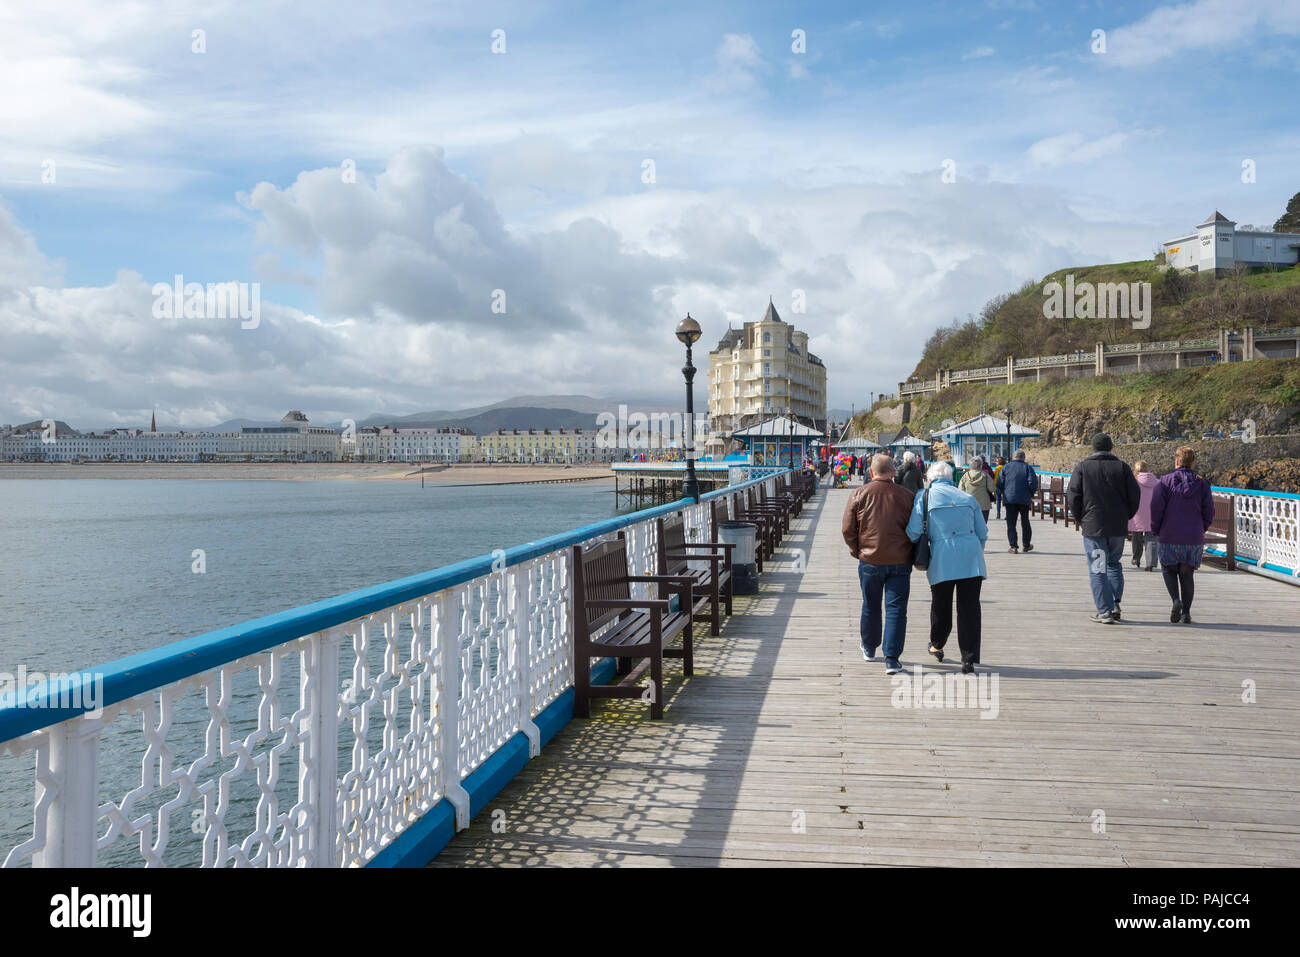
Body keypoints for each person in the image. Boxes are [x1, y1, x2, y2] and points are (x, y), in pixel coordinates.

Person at [906, 460, 988, 674]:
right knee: (969, 609)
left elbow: (913, 532)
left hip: (942, 558)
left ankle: (937, 644)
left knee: (941, 605)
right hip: (971, 558)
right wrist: (973, 548)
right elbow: (983, 532)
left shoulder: (924, 497)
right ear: (951, 479)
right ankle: (968, 658)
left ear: (930, 478)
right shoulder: (967, 498)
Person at [842, 454, 917, 674]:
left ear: (871, 473)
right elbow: (915, 529)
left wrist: (857, 549)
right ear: (893, 473)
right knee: (896, 609)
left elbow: (847, 529)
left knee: (870, 604)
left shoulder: (859, 493)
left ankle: (869, 647)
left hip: (869, 559)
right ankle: (892, 659)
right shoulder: (907, 496)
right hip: (900, 560)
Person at [1066, 433, 1141, 624]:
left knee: (1097, 568)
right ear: (1110, 448)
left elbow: (1073, 495)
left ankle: (1104, 611)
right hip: (1117, 526)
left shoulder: (1083, 467)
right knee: (1114, 564)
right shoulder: (1122, 467)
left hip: (1093, 526)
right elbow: (1135, 495)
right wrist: (1127, 516)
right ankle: (1115, 604)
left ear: (1093, 448)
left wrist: (1081, 518)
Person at [1150, 447, 1216, 624]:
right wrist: (1201, 528)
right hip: (1193, 537)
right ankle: (1186, 613)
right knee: (1187, 574)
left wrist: (1156, 529)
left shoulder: (1164, 482)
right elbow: (1209, 511)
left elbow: (1156, 509)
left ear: (1177, 461)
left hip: (1169, 534)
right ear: (1193, 462)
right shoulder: (1202, 484)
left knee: (1168, 569)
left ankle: (1175, 600)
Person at [995, 449, 1039, 554]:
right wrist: (1030, 494)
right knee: (1025, 522)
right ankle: (1026, 545)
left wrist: (999, 495)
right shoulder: (1028, 467)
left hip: (1009, 499)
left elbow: (1000, 483)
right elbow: (1032, 483)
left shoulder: (1006, 467)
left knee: (1011, 523)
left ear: (1013, 457)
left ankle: (1013, 546)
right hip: (1024, 499)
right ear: (1023, 458)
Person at [1129, 460, 1159, 570]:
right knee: (1151, 538)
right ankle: (1150, 563)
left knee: (1136, 537)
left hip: (1137, 513)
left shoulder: (1133, 481)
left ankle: (1136, 558)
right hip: (1153, 514)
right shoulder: (1156, 481)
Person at [958, 455, 995, 521]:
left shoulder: (965, 475)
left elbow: (960, 491)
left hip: (969, 504)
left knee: (970, 525)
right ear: (981, 465)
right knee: (983, 525)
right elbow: (992, 488)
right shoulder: (985, 475)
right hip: (984, 505)